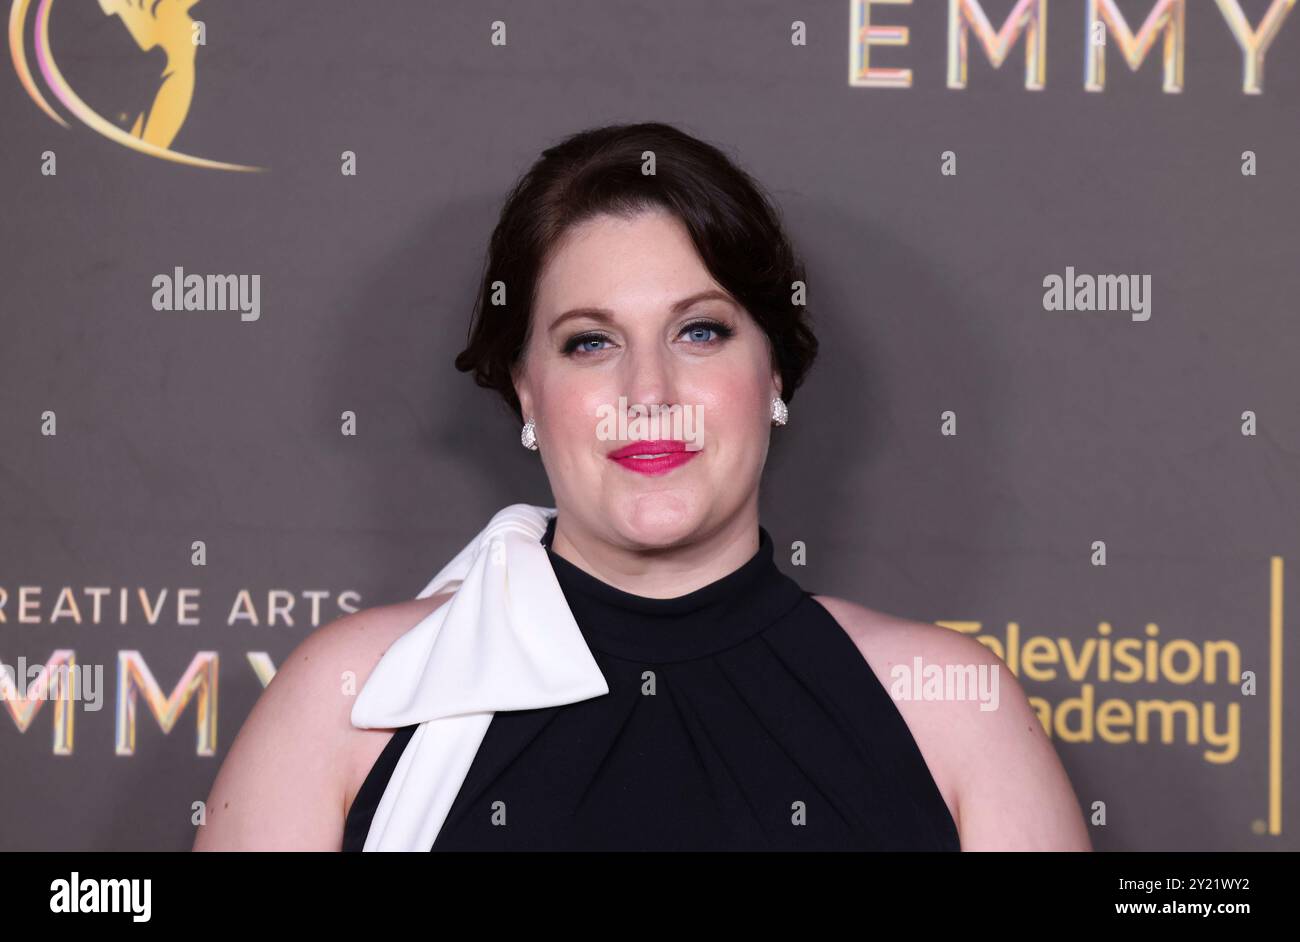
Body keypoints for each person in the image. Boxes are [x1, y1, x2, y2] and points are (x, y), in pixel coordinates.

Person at [193, 121, 1092, 851]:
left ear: (773, 373)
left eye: (700, 332)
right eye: (591, 342)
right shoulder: (353, 697)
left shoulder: (951, 711)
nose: (650, 395)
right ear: (526, 392)